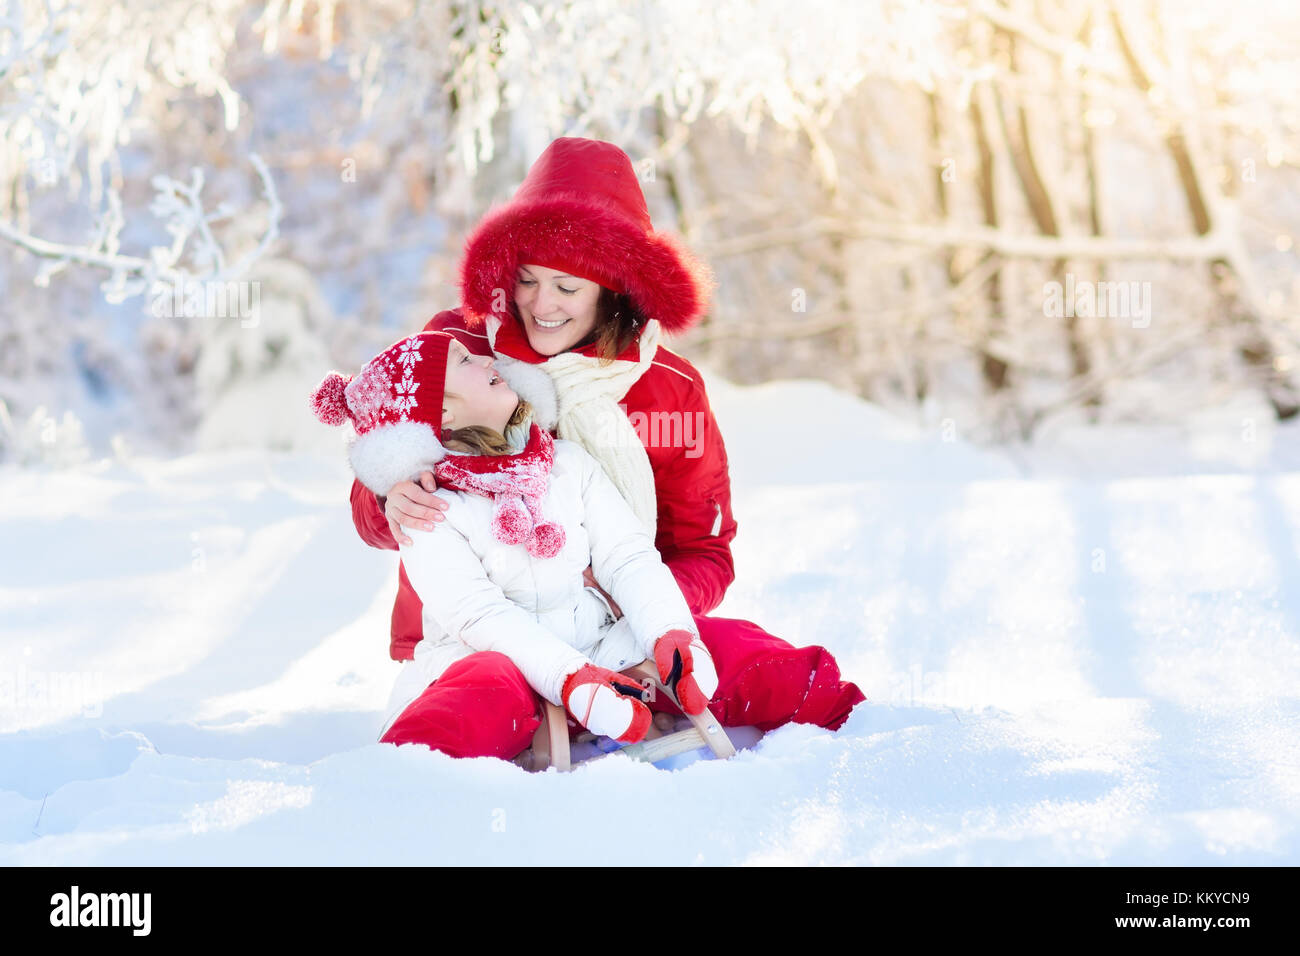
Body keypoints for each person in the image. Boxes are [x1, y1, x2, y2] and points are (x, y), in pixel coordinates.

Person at [351, 136, 865, 735]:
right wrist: (393, 497)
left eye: (568, 288)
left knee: (747, 652)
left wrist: (644, 615)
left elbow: (704, 550)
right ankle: (404, 781)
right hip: (479, 640)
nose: (541, 304)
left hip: (613, 630)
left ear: (613, 290)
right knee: (480, 697)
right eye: (527, 279)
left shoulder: (669, 392)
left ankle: (859, 735)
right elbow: (374, 488)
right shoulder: (457, 353)